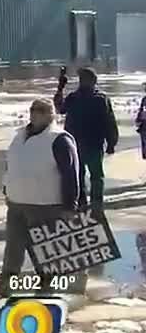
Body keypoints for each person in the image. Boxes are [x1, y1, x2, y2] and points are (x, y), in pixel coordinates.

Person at [0, 98, 84, 300]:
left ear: (50, 114)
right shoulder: (20, 136)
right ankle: (5, 285)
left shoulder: (59, 139)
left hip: (46, 204)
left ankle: (46, 288)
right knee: (13, 248)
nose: (35, 114)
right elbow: (12, 165)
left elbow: (71, 174)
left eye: (41, 111)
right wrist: (6, 188)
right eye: (33, 110)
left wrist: (71, 206)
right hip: (17, 203)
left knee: (44, 251)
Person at [53, 67, 118, 219]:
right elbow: (110, 123)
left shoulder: (75, 98)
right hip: (92, 144)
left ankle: (83, 204)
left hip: (78, 144)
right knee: (95, 176)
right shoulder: (100, 98)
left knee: (80, 175)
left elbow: (59, 108)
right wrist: (111, 142)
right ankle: (96, 206)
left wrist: (60, 88)